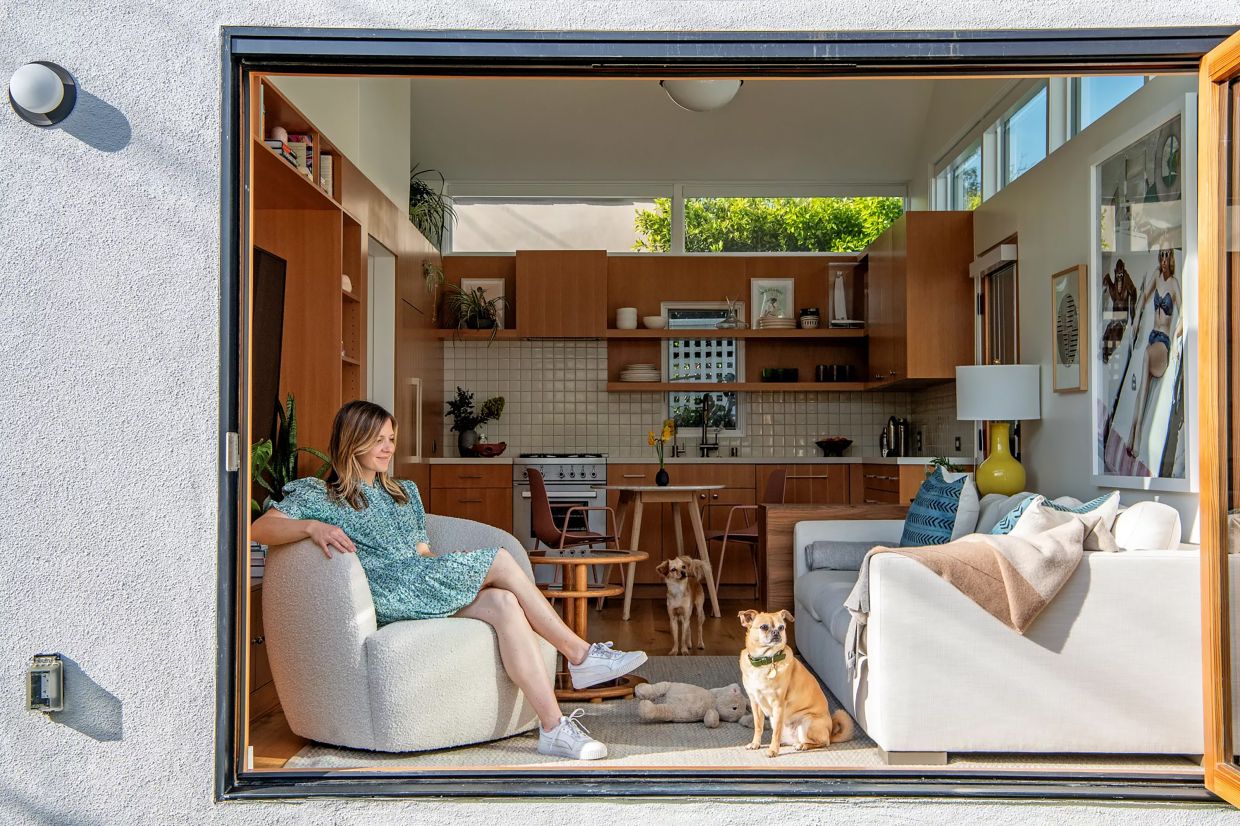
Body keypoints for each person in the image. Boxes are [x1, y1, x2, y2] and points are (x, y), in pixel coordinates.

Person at [251, 400, 647, 760]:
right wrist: (311, 528)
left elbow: (422, 553)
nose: (388, 448)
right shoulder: (321, 495)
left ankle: (553, 727)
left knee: (504, 603)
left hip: (417, 579)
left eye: (391, 439)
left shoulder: (404, 492)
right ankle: (579, 655)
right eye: (378, 440)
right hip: (387, 591)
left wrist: (449, 564)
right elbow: (261, 528)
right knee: (502, 560)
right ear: (352, 441)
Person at [1126, 249, 1183, 459]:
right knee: (1142, 390)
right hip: (1151, 337)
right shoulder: (1155, 277)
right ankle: (1132, 436)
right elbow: (1142, 298)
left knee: (1147, 356)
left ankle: (1138, 432)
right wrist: (1135, 322)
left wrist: (1176, 340)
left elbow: (1185, 313)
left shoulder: (1175, 284)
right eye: (1162, 256)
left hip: (1163, 344)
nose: (1164, 260)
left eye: (1168, 256)